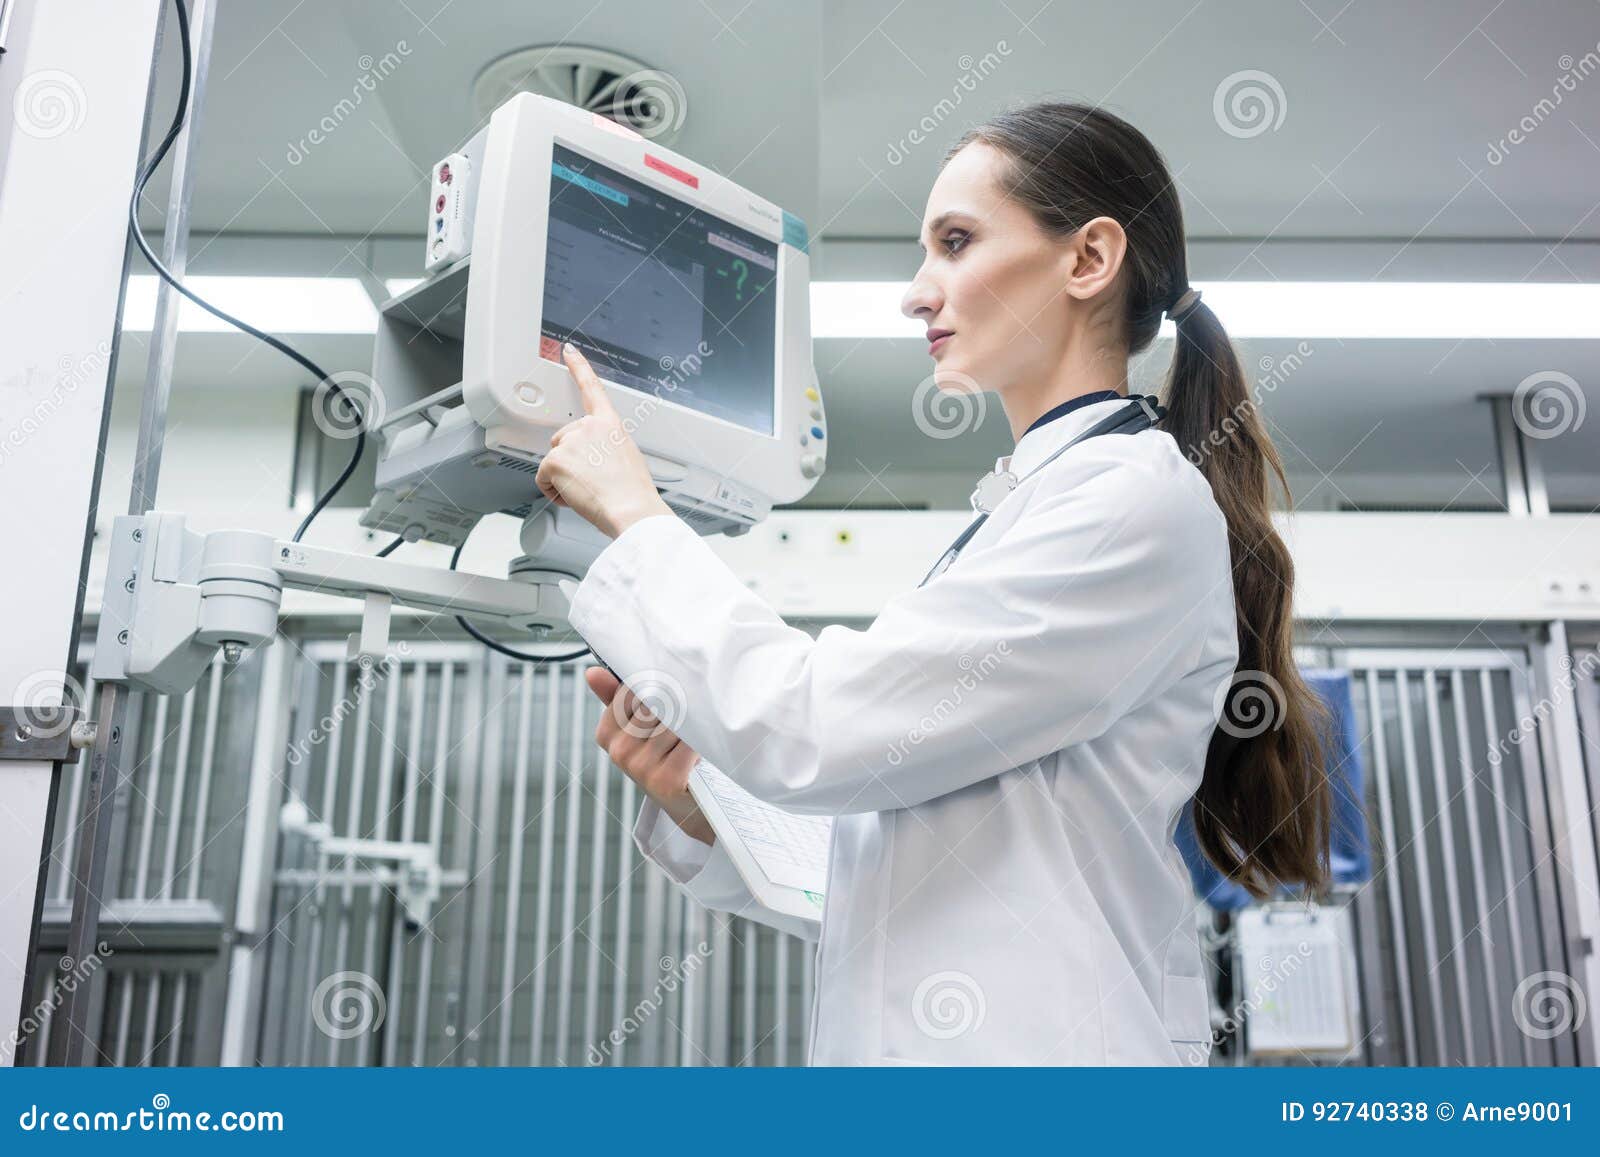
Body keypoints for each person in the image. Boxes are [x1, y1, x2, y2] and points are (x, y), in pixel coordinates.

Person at [533, 100, 1331, 1066]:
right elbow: (907, 867)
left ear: (1088, 260)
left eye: (956, 242)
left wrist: (637, 515)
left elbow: (819, 726)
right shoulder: (1027, 513)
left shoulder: (1127, 503)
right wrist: (705, 801)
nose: (917, 292)